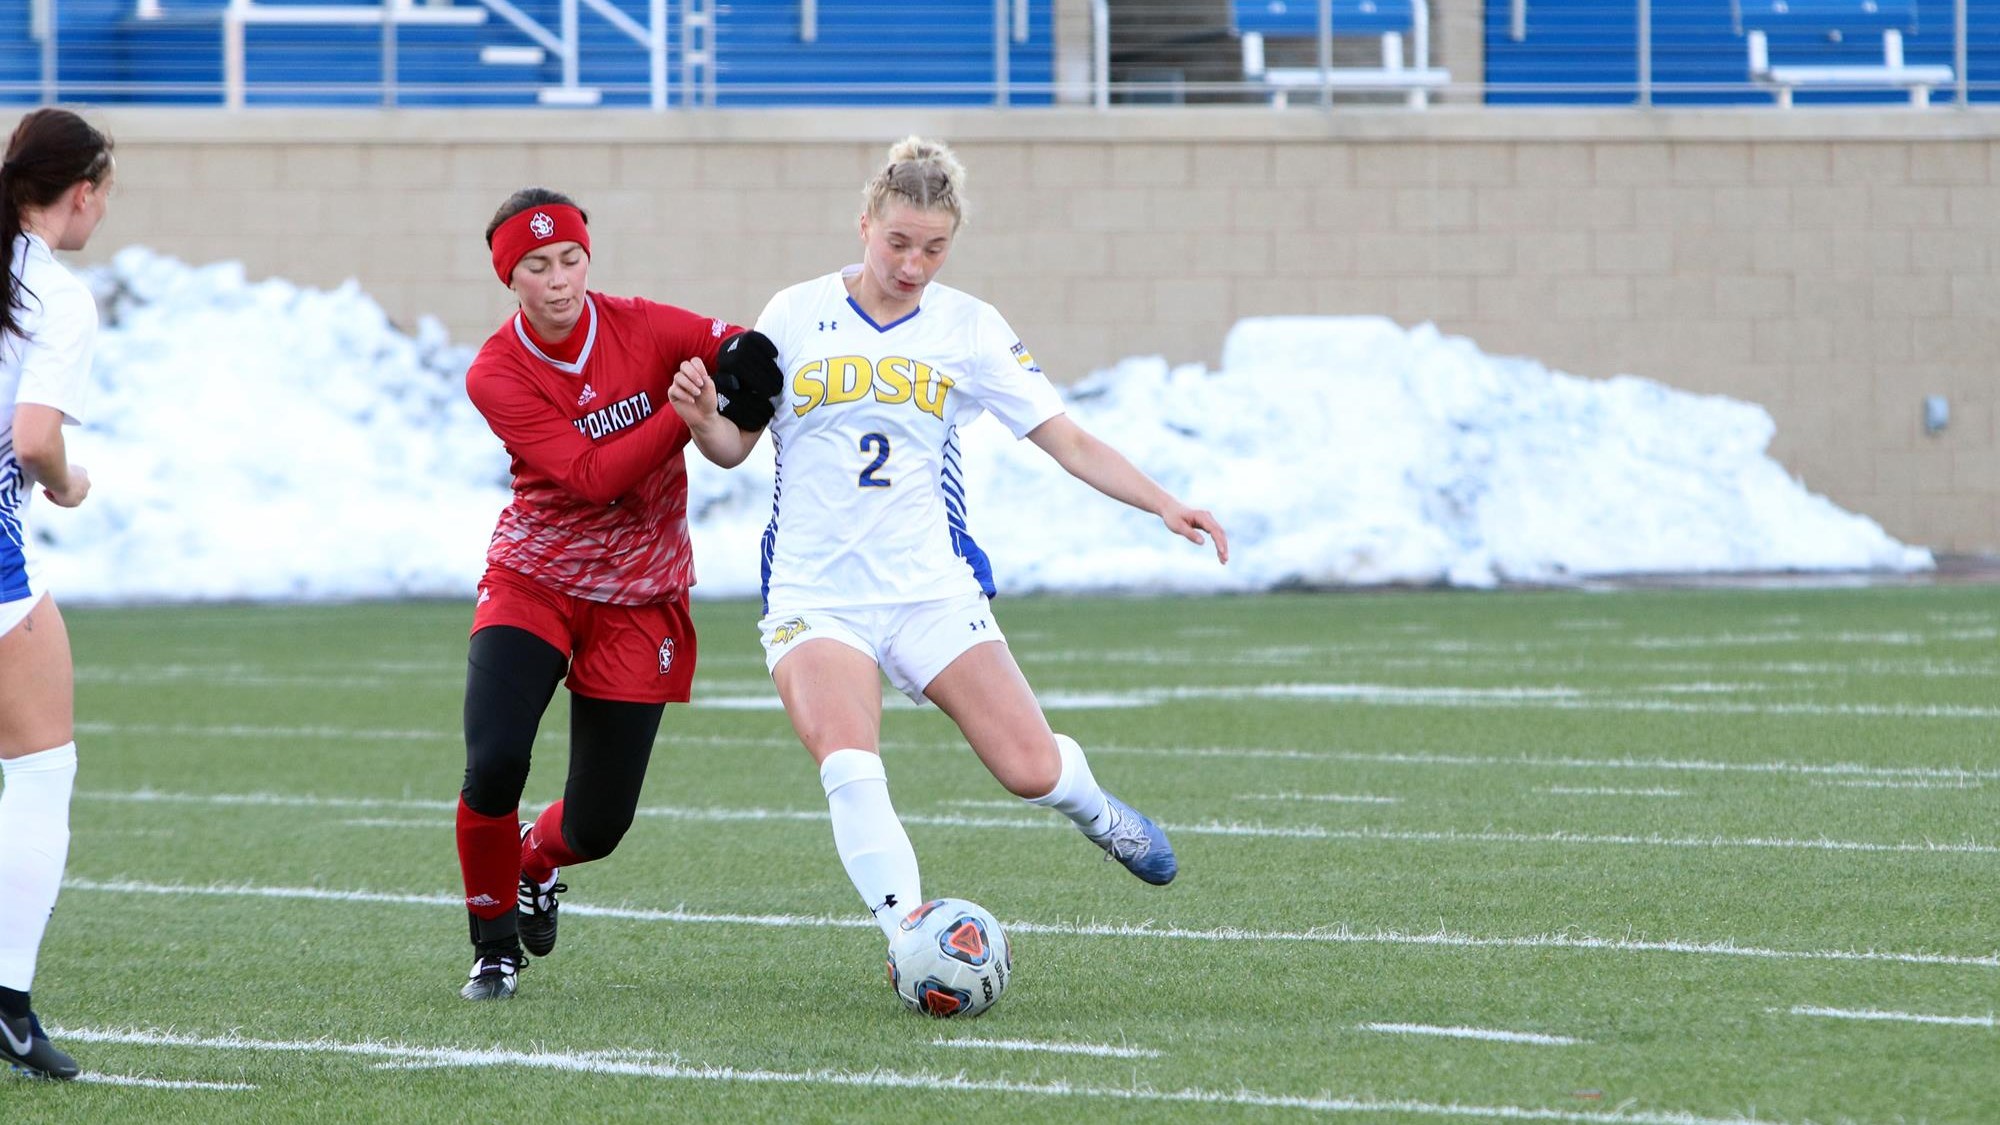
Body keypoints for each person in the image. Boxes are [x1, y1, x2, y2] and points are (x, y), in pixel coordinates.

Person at [667, 136, 1230, 946]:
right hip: (815, 591)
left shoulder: (969, 327)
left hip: (929, 586)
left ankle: (1096, 810)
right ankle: (907, 936)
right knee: (850, 764)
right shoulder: (793, 312)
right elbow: (735, 446)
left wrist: (1165, 503)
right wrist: (701, 421)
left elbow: (1068, 440)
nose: (913, 264)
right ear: (865, 224)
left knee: (1029, 769)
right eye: (898, 242)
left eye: (933, 248)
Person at [453, 188, 771, 1000]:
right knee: (495, 761)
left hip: (641, 591)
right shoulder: (495, 372)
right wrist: (681, 411)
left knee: (598, 826)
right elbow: (592, 477)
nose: (559, 279)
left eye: (571, 259)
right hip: (535, 578)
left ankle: (534, 859)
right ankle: (493, 948)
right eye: (536, 266)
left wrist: (745, 364)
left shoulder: (642, 324)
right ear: (509, 279)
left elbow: (736, 344)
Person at [0, 108, 115, 1080]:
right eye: (104, 193)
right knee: (41, 770)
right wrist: (68, 483)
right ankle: (6, 1002)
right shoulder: (55, 293)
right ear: (81, 193)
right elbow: (34, 437)